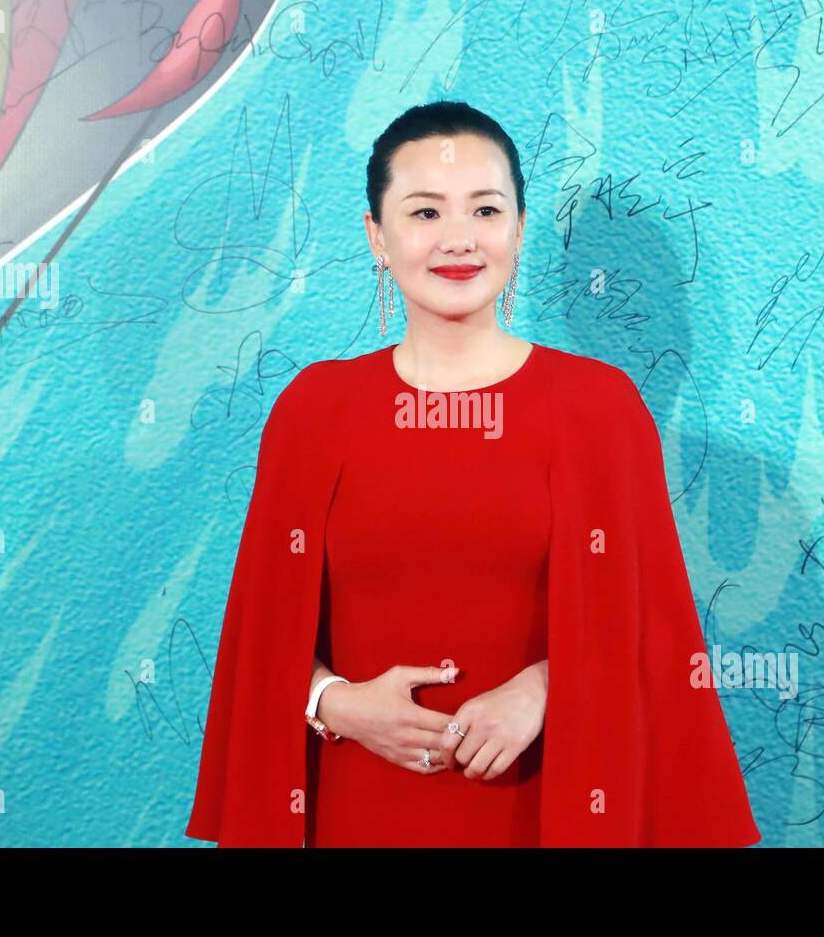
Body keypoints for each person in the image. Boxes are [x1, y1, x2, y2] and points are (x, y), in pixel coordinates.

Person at [185, 100, 761, 848]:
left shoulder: (599, 409)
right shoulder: (314, 411)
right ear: (376, 237)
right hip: (351, 808)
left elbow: (655, 636)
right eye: (424, 212)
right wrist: (335, 702)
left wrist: (552, 687)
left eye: (485, 209)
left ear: (518, 230)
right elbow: (257, 643)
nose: (458, 238)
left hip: (549, 808)